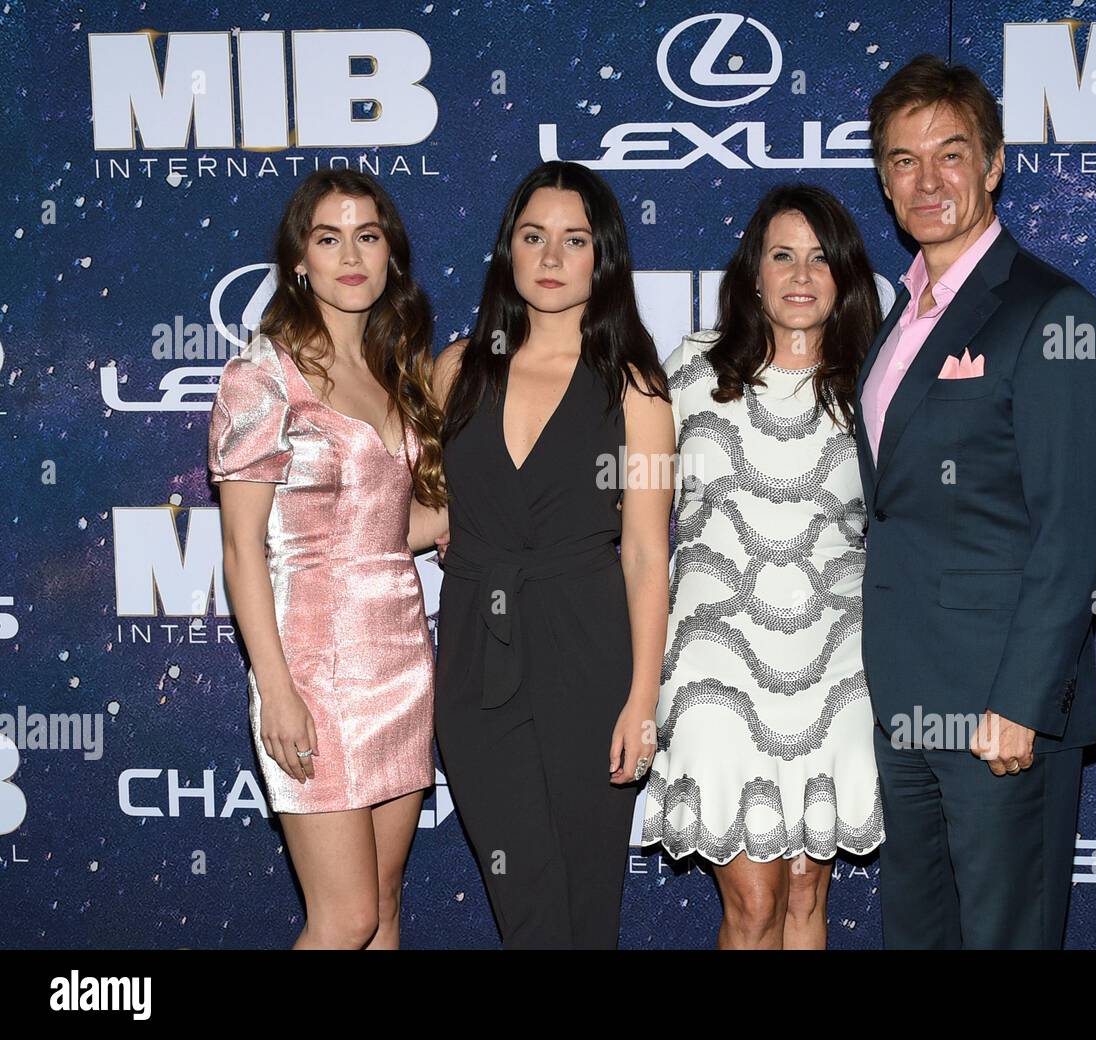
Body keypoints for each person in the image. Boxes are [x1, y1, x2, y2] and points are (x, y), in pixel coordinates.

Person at [857, 54, 1096, 949]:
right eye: (902, 160)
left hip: (1000, 710)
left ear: (995, 162)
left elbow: (1075, 531)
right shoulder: (897, 323)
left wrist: (1022, 701)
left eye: (950, 153)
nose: (927, 181)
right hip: (906, 699)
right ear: (883, 178)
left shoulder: (1055, 312)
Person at [431, 160, 674, 949]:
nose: (550, 257)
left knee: (583, 904)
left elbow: (645, 552)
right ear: (509, 249)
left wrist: (643, 699)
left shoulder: (638, 389)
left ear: (602, 257)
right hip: (476, 660)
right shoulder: (456, 370)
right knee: (527, 904)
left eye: (574, 241)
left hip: (589, 657)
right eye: (533, 237)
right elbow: (426, 516)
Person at [640, 184, 885, 949]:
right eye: (783, 255)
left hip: (839, 668)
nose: (801, 274)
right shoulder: (688, 371)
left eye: (820, 258)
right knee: (752, 909)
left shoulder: (872, 386)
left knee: (808, 901)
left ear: (844, 277)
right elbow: (637, 530)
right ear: (754, 272)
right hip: (716, 672)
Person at [209, 169, 447, 949]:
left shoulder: (398, 371)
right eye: (328, 236)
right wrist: (276, 689)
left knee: (382, 906)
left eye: (368, 236)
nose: (351, 254)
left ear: (390, 256)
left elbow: (384, 528)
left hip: (402, 664)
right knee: (343, 919)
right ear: (299, 259)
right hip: (313, 669)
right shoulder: (263, 377)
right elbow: (242, 546)